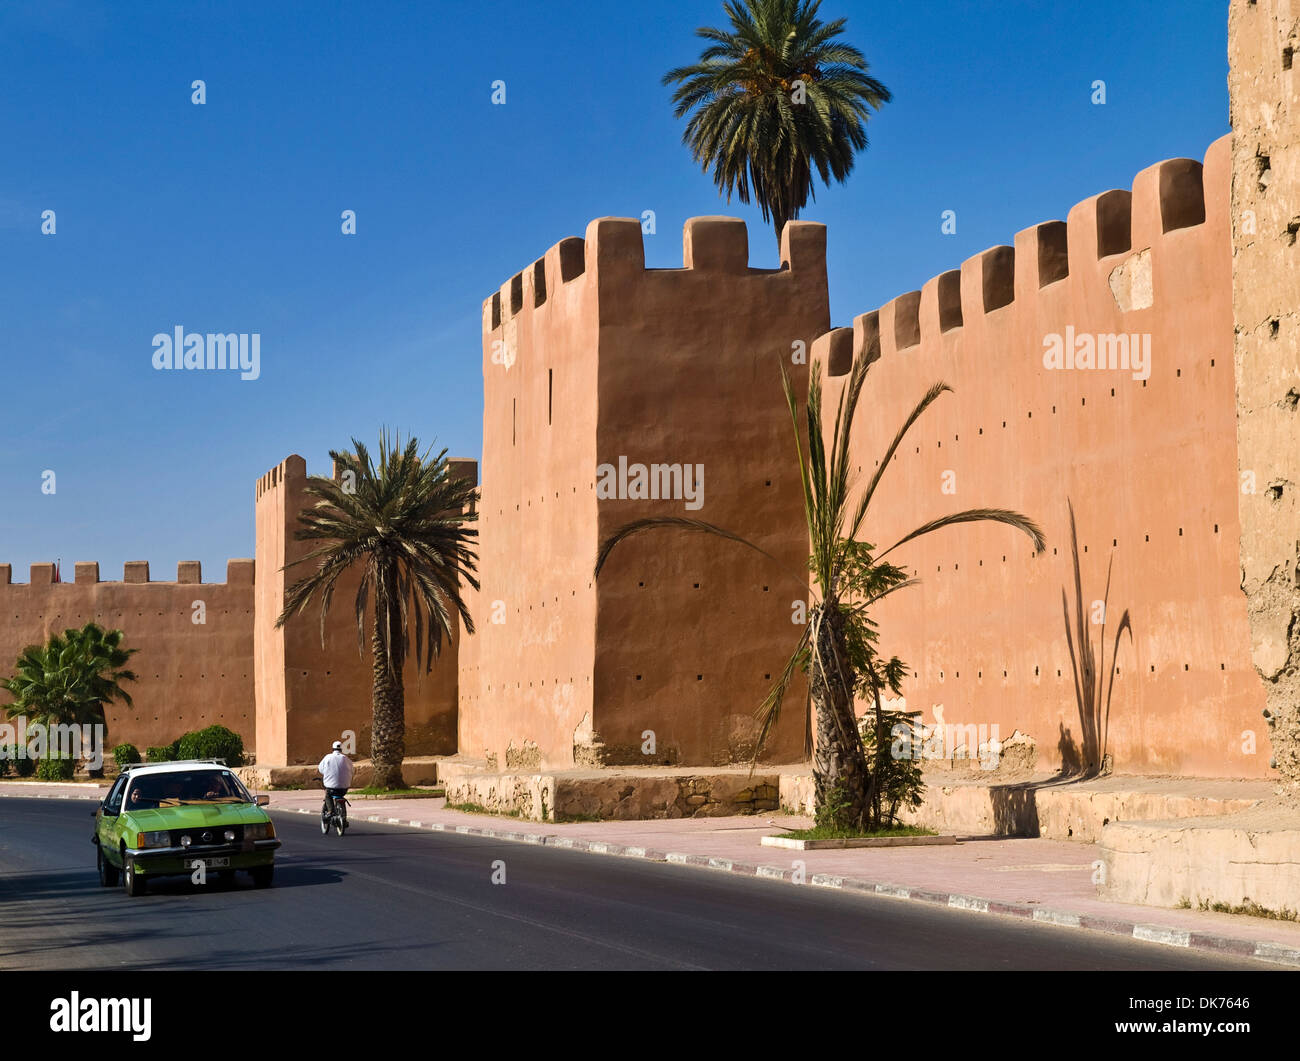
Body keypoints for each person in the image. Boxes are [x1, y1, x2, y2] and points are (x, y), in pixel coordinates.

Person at [318, 740, 354, 824]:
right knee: (340, 795)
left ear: (332, 749)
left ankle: (330, 811)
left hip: (331, 787)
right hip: (344, 788)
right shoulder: (346, 759)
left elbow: (320, 769)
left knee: (328, 795)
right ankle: (343, 817)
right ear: (341, 749)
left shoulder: (328, 757)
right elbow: (352, 770)